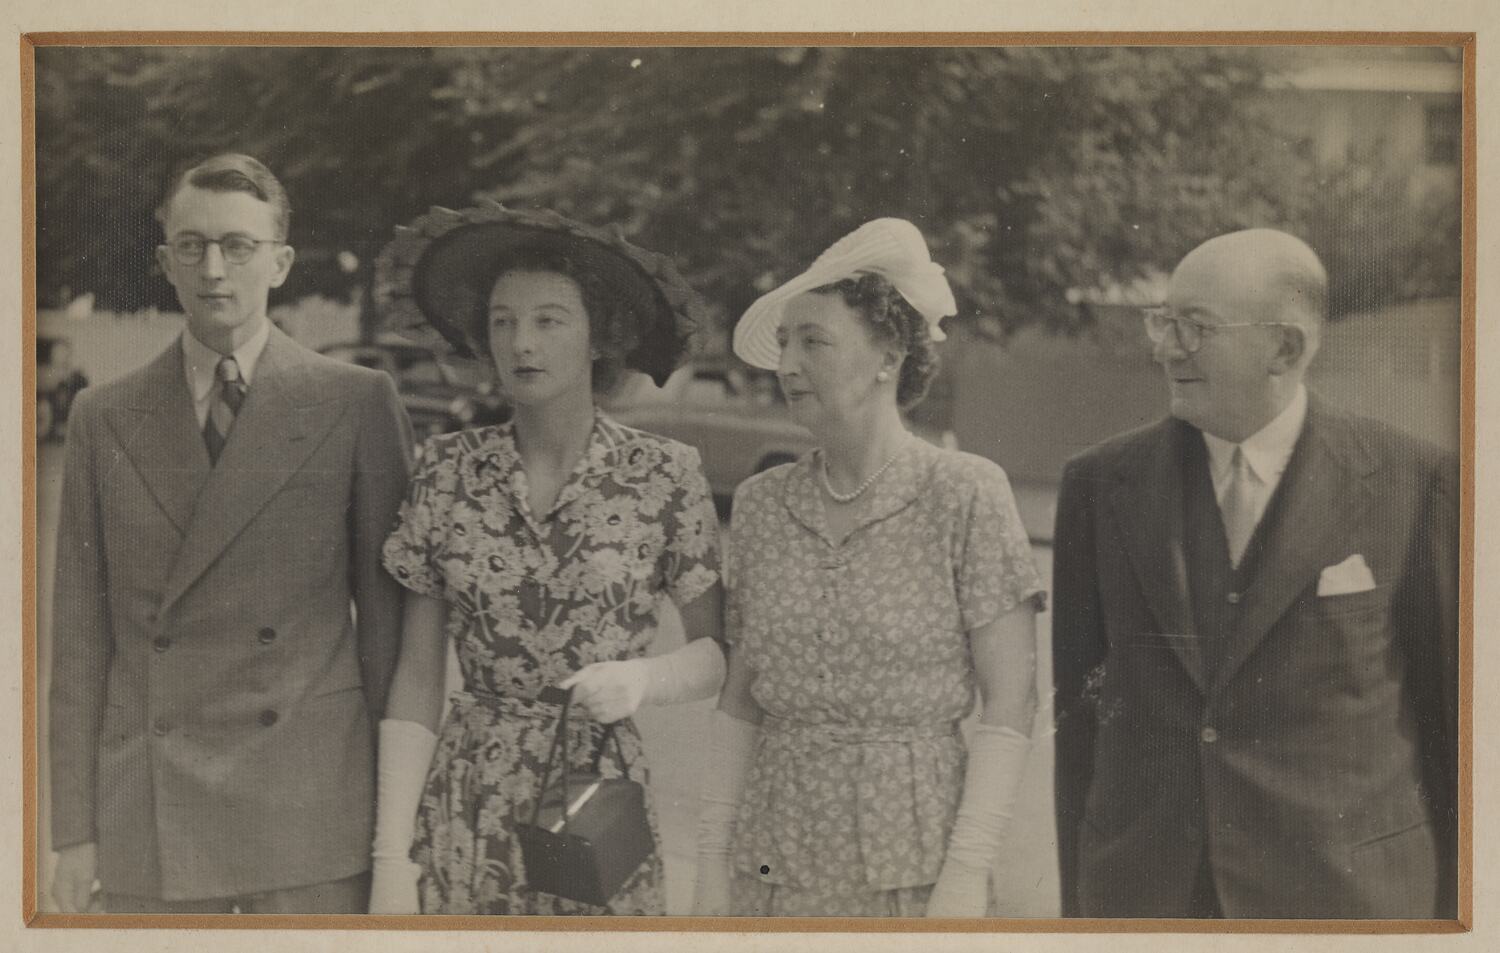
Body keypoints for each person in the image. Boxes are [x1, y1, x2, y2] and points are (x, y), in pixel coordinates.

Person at [1051, 228, 1459, 919]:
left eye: (1196, 327)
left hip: (1343, 901)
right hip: (1148, 898)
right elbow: (1080, 726)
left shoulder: (1416, 483)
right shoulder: (1098, 484)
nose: (1166, 347)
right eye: (1163, 321)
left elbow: (1454, 729)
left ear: (1286, 348)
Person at [48, 153, 414, 914]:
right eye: (192, 246)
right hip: (154, 813)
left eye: (238, 246)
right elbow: (81, 643)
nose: (214, 269)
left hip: (310, 810)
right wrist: (73, 832)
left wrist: (398, 835)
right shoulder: (103, 417)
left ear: (280, 262)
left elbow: (388, 637)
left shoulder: (355, 402)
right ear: (165, 264)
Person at [367, 203, 726, 915]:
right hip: (467, 799)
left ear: (600, 337)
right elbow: (416, 676)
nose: (521, 343)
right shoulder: (446, 470)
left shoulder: (664, 473)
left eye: (549, 320)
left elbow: (718, 654)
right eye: (502, 321)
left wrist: (644, 678)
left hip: (596, 795)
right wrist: (390, 858)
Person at [693, 218, 1045, 918]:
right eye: (784, 343)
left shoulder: (965, 493)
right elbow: (741, 697)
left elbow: (1012, 701)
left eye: (813, 341)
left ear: (887, 355)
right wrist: (709, 863)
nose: (787, 364)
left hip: (913, 865)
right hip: (773, 859)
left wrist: (966, 873)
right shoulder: (762, 504)